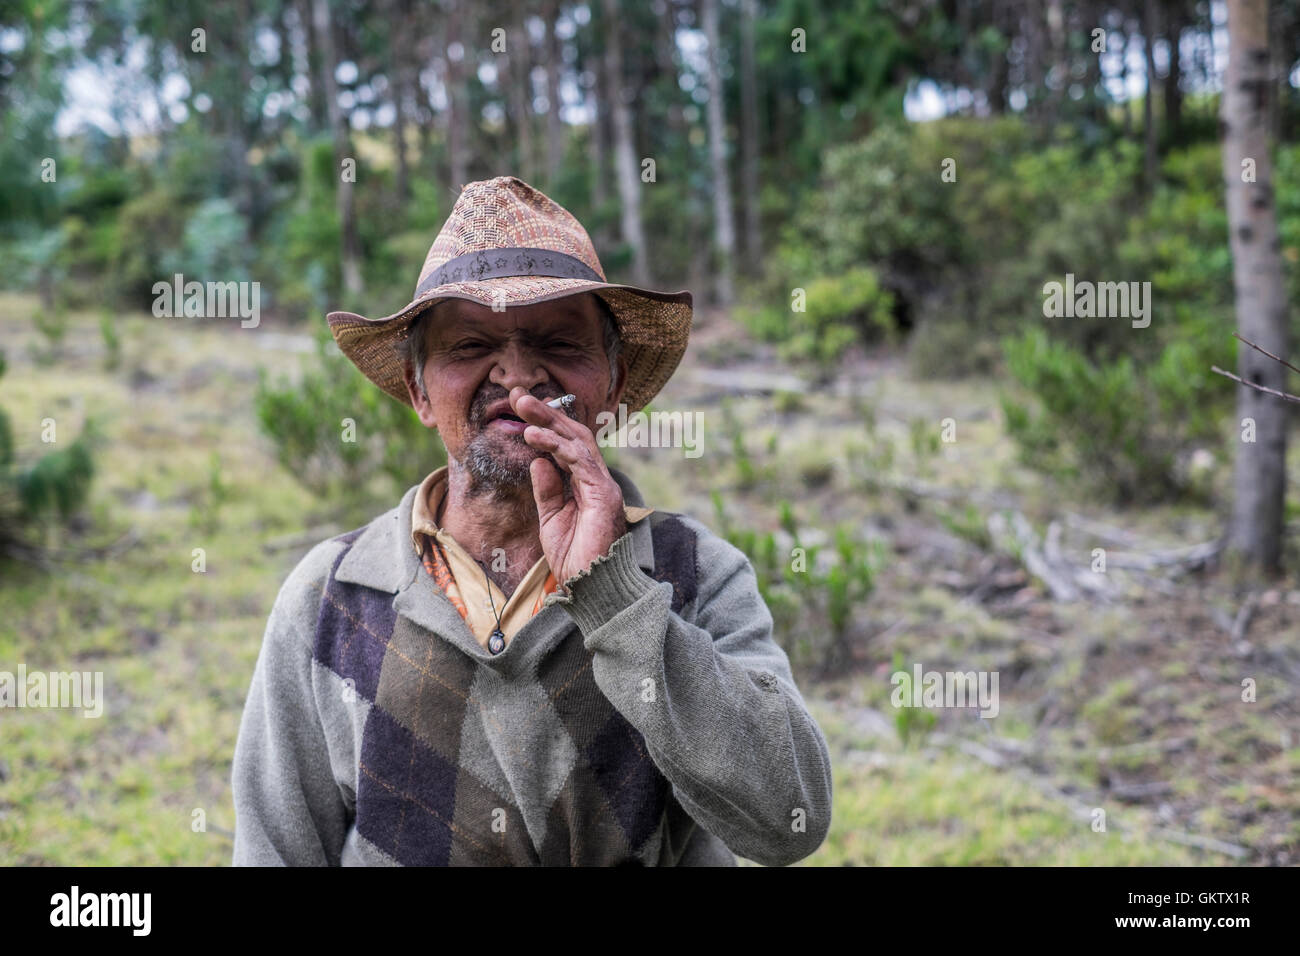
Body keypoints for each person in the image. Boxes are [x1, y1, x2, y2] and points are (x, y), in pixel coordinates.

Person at [231, 175, 832, 866]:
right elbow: (273, 849)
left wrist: (615, 596)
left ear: (612, 380)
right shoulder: (332, 595)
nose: (518, 380)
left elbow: (792, 820)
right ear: (419, 391)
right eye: (469, 346)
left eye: (559, 344)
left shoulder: (693, 574)